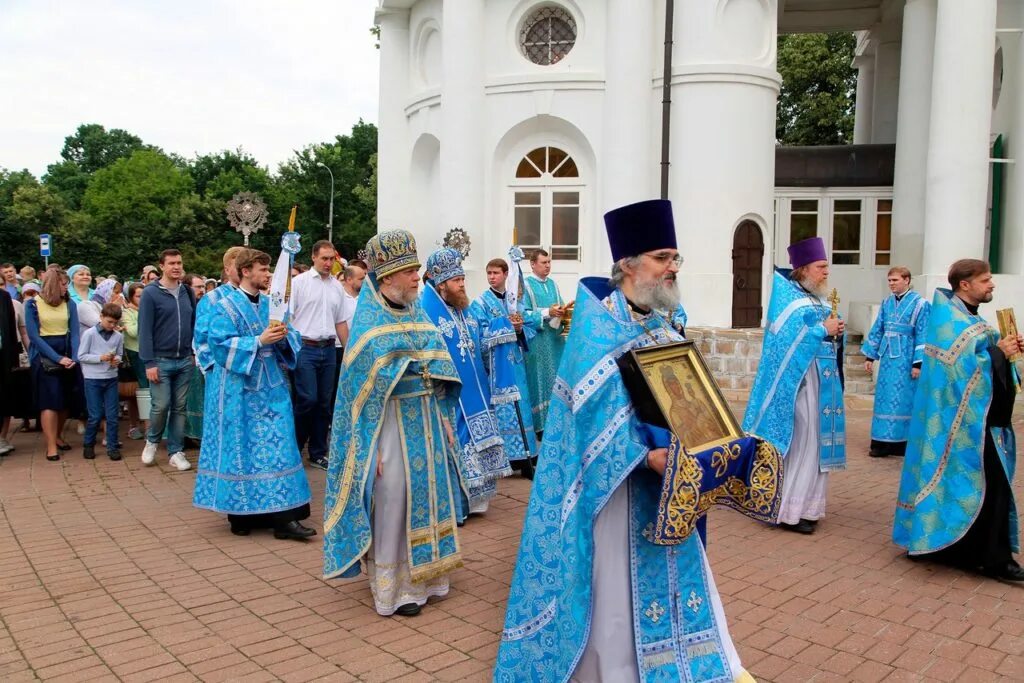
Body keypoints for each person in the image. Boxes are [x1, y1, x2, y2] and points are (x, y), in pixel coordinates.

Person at [496, 199, 763, 682]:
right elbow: (588, 419)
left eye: (675, 258)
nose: (672, 268)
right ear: (628, 265)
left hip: (670, 483)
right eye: (662, 257)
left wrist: (713, 438)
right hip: (613, 490)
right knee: (617, 589)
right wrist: (643, 455)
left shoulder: (664, 325)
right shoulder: (595, 329)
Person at [323, 229, 464, 617]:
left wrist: (444, 415)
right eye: (410, 271)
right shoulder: (367, 326)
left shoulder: (417, 312)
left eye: (417, 269)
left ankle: (429, 577)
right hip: (388, 427)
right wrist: (372, 449)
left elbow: (439, 367)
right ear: (387, 278)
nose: (418, 276)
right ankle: (395, 589)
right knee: (393, 501)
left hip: (427, 420)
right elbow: (358, 398)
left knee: (429, 495)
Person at [894, 259, 1023, 581]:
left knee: (989, 485)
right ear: (965, 284)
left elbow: (984, 363)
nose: (991, 285)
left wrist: (1007, 354)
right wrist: (998, 354)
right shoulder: (949, 322)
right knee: (989, 485)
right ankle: (994, 560)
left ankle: (963, 550)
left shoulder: (969, 319)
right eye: (985, 280)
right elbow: (962, 371)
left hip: (981, 421)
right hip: (960, 425)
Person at [192, 249, 314, 539]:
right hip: (241, 391)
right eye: (262, 270)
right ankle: (242, 514)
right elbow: (219, 344)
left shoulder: (272, 305)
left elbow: (292, 334)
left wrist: (284, 338)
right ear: (246, 271)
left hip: (272, 388)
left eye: (269, 270)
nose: (267, 275)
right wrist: (258, 341)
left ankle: (285, 519)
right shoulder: (224, 305)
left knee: (279, 450)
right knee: (243, 453)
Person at [743, 236, 846, 535]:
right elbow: (784, 342)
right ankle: (787, 510)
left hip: (820, 380)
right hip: (798, 384)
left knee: (816, 443)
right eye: (821, 267)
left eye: (827, 266)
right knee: (801, 442)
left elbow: (820, 334)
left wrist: (834, 331)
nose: (826, 272)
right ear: (802, 269)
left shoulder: (817, 298)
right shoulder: (787, 299)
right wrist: (820, 330)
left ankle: (808, 506)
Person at [421, 248, 510, 520]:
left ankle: (476, 501)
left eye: (462, 278)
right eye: (456, 280)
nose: (462, 284)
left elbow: (480, 344)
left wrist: (501, 332)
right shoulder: (426, 313)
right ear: (441, 284)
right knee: (455, 444)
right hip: (451, 397)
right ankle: (457, 505)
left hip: (477, 390)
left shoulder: (465, 310)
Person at [468, 258, 538, 478]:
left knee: (522, 407)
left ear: (506, 274)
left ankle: (527, 459)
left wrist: (518, 329)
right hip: (497, 366)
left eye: (496, 273)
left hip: (515, 361)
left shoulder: (513, 300)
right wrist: (507, 325)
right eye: (488, 273)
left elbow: (528, 323)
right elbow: (480, 333)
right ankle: (507, 458)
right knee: (503, 411)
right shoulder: (480, 303)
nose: (491, 277)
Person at [288, 240, 347, 470]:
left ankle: (318, 451)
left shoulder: (336, 287)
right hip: (305, 347)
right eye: (324, 258)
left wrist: (349, 349)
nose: (328, 263)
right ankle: (295, 446)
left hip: (329, 348)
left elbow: (340, 321)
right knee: (307, 399)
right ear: (313, 257)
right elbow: (289, 317)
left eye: (332, 259)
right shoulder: (300, 283)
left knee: (324, 402)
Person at [862, 267, 929, 457]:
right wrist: (870, 356)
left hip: (906, 359)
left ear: (907, 280)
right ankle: (880, 443)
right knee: (884, 399)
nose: (891, 283)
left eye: (895, 280)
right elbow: (878, 328)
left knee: (904, 400)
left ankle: (901, 444)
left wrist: (918, 363)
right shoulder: (886, 303)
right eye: (889, 280)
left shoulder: (920, 304)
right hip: (887, 359)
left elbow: (923, 333)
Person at [138, 249, 196, 472]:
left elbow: (193, 323)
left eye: (179, 262)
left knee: (180, 407)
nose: (176, 267)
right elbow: (145, 330)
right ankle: (152, 440)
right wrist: (149, 362)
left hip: (183, 359)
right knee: (161, 405)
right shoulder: (151, 293)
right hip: (160, 360)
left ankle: (176, 451)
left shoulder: (187, 292)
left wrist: (193, 352)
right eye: (171, 263)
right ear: (161, 266)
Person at [24, 268, 82, 462]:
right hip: (44, 355)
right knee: (49, 401)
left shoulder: (70, 303)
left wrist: (74, 356)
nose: (67, 288)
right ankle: (50, 445)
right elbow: (34, 336)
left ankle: (57, 435)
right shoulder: (32, 304)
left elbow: (74, 332)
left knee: (66, 399)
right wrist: (57, 358)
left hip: (66, 351)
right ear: (53, 284)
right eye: (64, 284)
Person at [522, 248, 566, 439]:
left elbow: (561, 306)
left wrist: (563, 312)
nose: (547, 265)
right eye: (543, 262)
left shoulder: (554, 285)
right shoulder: (525, 286)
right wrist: (548, 313)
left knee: (557, 380)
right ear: (532, 264)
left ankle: (557, 422)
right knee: (539, 382)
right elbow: (522, 314)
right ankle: (540, 429)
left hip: (555, 343)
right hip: (538, 345)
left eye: (549, 262)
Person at [79, 303, 124, 461]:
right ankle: (88, 443)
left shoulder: (118, 336)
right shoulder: (89, 334)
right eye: (109, 322)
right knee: (95, 414)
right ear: (101, 317)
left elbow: (119, 354)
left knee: (112, 415)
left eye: (115, 323)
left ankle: (112, 446)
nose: (112, 326)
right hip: (93, 378)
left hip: (111, 377)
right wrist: (100, 358)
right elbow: (82, 356)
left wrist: (116, 360)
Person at [122, 282, 148, 440]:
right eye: (139, 296)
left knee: (149, 390)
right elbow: (132, 332)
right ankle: (139, 425)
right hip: (135, 354)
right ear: (131, 297)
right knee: (141, 391)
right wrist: (145, 316)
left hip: (149, 353)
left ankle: (149, 426)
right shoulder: (127, 313)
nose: (143, 299)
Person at [183, 273, 206, 444]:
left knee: (200, 397)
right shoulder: (186, 306)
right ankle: (187, 434)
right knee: (189, 398)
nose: (202, 290)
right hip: (188, 354)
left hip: (201, 355)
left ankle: (198, 434)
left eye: (203, 287)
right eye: (198, 287)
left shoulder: (206, 306)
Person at [0, 288, 22, 456]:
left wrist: (14, 358)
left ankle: (2, 437)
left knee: (4, 396)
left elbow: (10, 327)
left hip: (3, 355)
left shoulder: (4, 296)